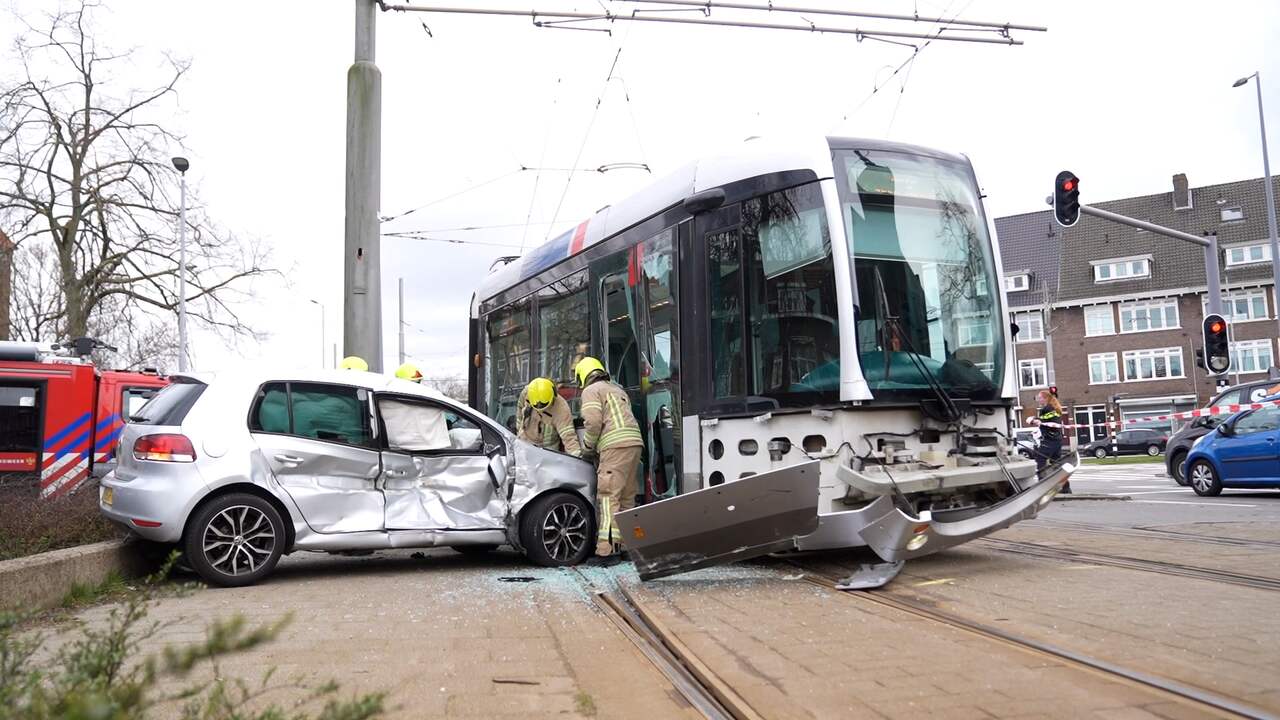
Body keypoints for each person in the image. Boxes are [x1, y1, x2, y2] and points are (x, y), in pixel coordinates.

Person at [575, 357, 643, 566]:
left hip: (614, 447)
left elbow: (593, 423)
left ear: (582, 376)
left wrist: (587, 448)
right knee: (627, 498)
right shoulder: (617, 390)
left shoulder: (591, 391)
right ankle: (626, 547)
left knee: (608, 497)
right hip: (634, 444)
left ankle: (606, 551)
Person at [516, 377, 581, 457]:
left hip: (549, 451)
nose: (539, 408)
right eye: (536, 405)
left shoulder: (561, 408)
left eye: (543, 405)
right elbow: (519, 412)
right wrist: (518, 431)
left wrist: (578, 459)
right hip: (525, 443)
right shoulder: (527, 393)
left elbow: (569, 439)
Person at [1029, 388, 1071, 493]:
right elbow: (1050, 422)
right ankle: (1066, 488)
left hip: (1048, 440)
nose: (1038, 400)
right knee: (1057, 465)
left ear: (1045, 398)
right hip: (1057, 440)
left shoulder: (1046, 409)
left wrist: (1033, 420)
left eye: (1039, 398)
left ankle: (1042, 488)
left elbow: (1043, 422)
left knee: (1040, 462)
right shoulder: (1056, 408)